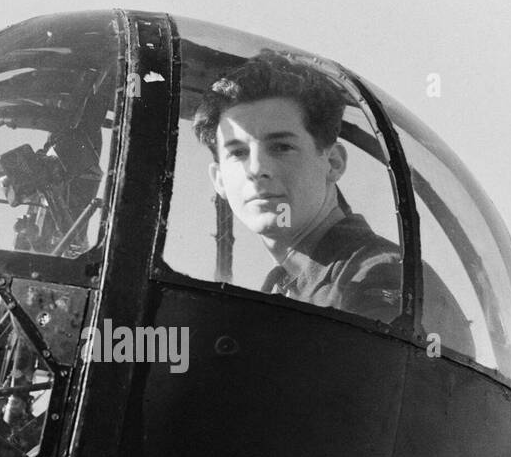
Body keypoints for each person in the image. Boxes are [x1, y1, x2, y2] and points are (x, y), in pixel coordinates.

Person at [192, 50, 474, 355]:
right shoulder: (282, 291)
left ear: (334, 162)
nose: (257, 169)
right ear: (218, 179)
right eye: (237, 152)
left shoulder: (379, 279)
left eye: (281, 146)